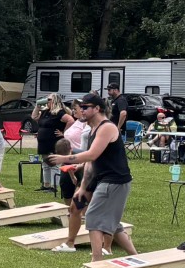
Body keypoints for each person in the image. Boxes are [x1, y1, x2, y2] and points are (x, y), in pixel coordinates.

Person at [50, 97, 136, 259]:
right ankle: (136, 257)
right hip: (103, 179)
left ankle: (96, 259)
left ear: (97, 109)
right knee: (112, 222)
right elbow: (91, 161)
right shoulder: (92, 130)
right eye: (80, 107)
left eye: (85, 107)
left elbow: (92, 154)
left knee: (93, 217)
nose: (81, 110)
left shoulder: (107, 128)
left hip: (115, 180)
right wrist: (83, 187)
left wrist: (65, 159)